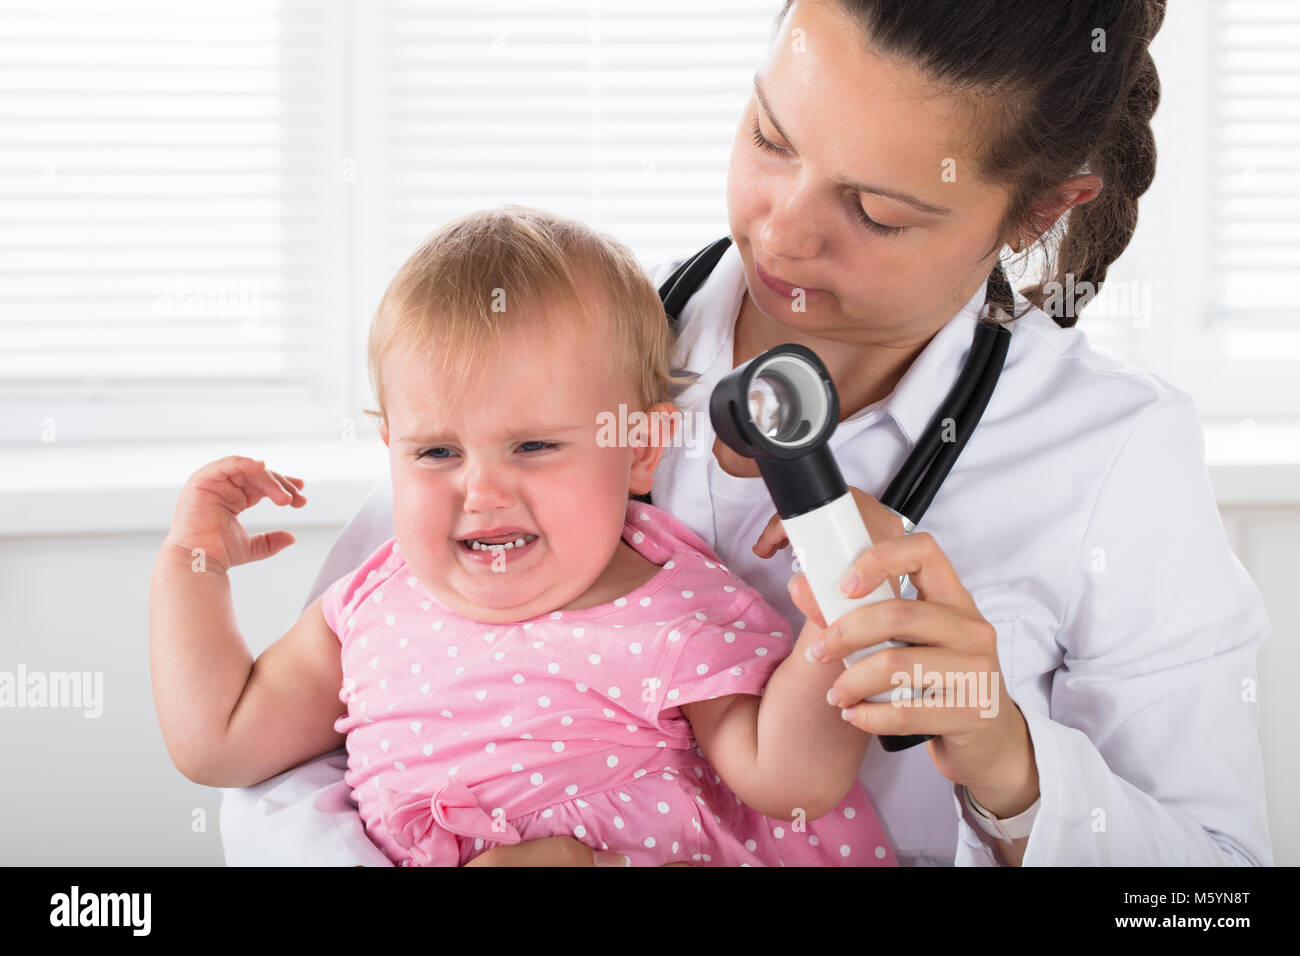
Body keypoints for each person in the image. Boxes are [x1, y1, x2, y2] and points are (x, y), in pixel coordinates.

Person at [219, 0, 1273, 866]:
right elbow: (307, 741)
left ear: (1040, 210)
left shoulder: (1114, 452)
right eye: (770, 137)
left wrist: (1012, 767)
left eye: (876, 209)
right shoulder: (563, 341)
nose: (780, 228)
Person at [156, 205, 904, 866]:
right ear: (390, 448)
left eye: (534, 447)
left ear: (640, 447)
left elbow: (790, 781)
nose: (481, 492)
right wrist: (191, 566)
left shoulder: (672, 607)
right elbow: (219, 742)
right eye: (436, 452)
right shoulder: (369, 606)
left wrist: (839, 611)